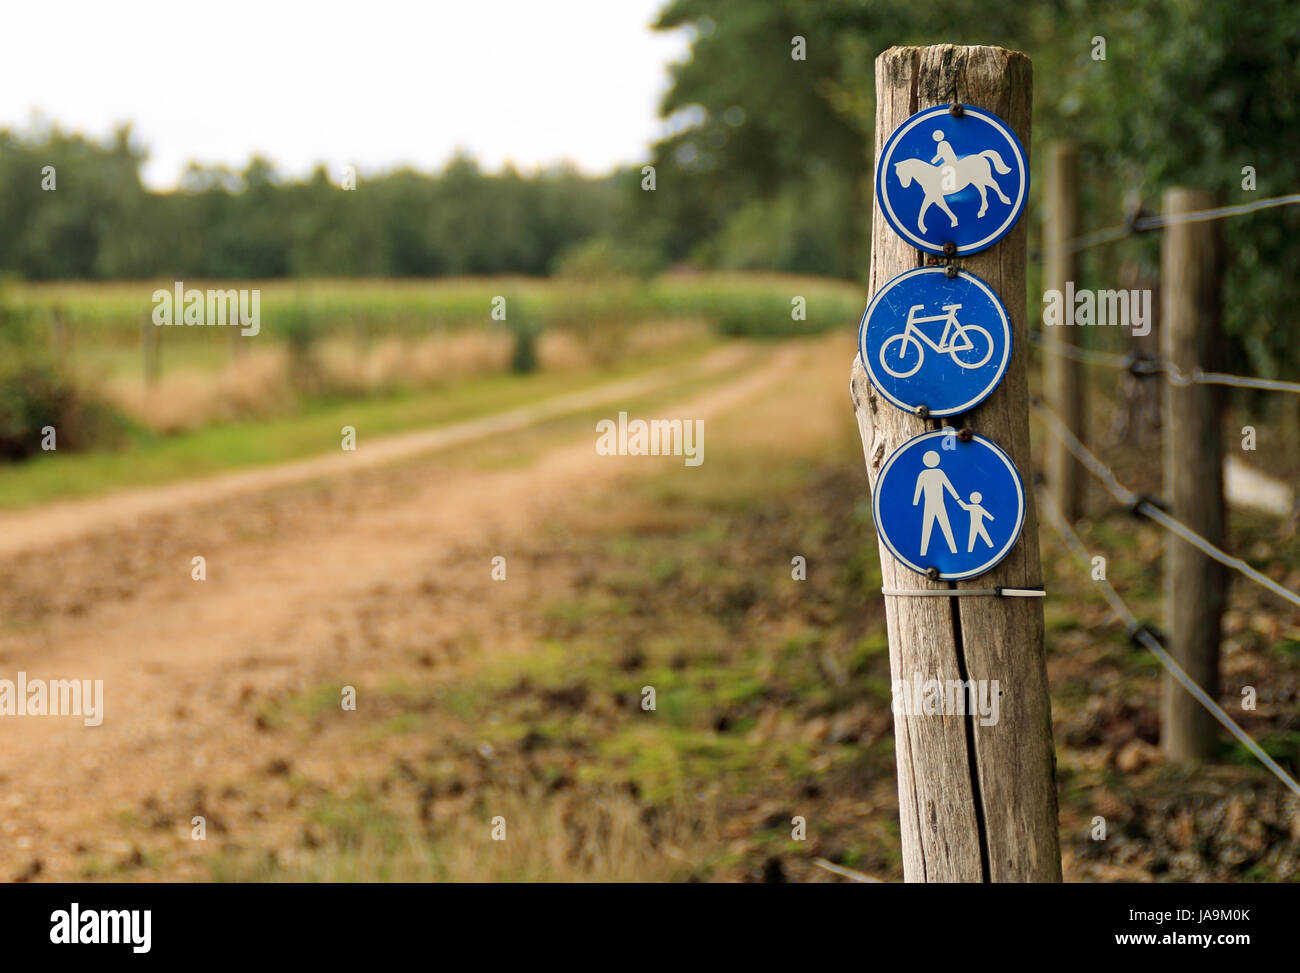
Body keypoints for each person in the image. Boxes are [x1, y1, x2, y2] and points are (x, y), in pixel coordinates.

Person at [912, 450, 960, 556]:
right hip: (935, 504)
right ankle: (953, 550)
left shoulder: (925, 474)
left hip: (935, 503)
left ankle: (925, 551)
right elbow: (949, 487)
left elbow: (948, 486)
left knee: (932, 527)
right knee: (941, 526)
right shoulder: (937, 473)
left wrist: (916, 502)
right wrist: (957, 499)